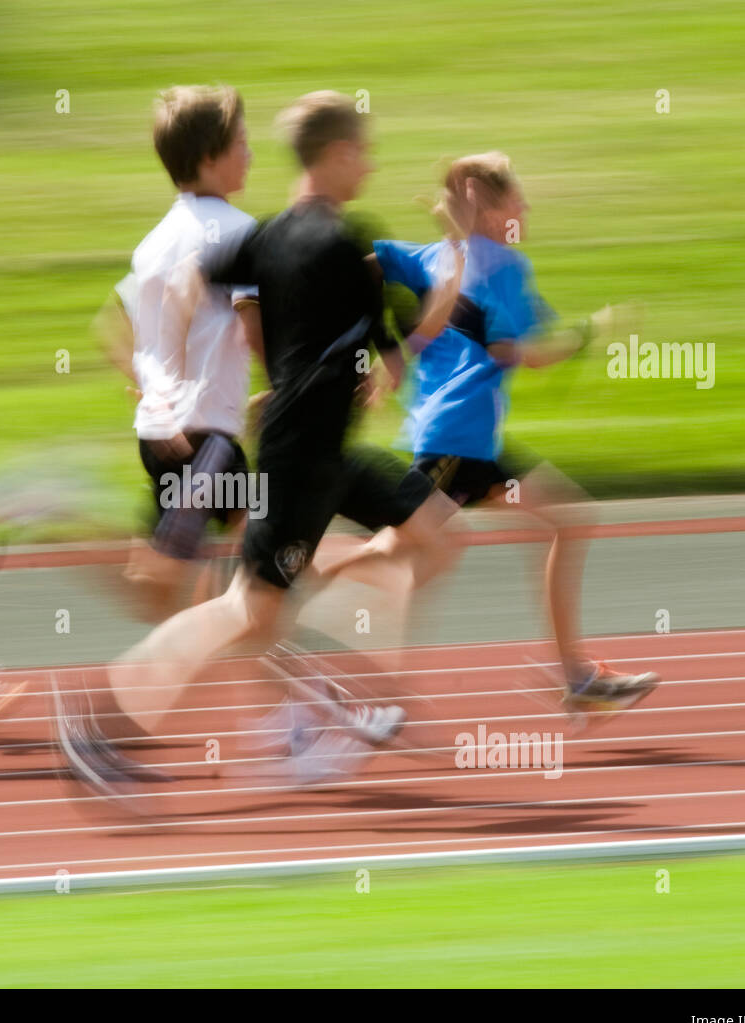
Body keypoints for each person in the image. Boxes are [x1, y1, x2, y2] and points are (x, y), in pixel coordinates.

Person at [55, 92, 462, 802]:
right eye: (362, 152)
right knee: (244, 611)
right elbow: (393, 350)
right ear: (335, 156)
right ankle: (101, 721)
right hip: (301, 461)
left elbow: (187, 288)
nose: (367, 164)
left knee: (436, 532)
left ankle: (334, 695)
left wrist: (180, 378)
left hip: (321, 452)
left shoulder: (260, 238)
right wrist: (437, 290)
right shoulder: (343, 245)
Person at [367, 151, 658, 715]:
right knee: (402, 549)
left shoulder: (429, 255)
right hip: (455, 439)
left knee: (567, 519)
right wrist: (590, 331)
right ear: (481, 199)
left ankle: (574, 678)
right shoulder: (505, 267)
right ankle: (293, 584)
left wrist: (383, 342)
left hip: (472, 444)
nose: (525, 206)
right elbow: (524, 354)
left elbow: (359, 268)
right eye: (514, 197)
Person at [96, 84, 261, 619]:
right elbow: (256, 327)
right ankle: (74, 530)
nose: (250, 154)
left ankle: (221, 666)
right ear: (210, 158)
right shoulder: (239, 233)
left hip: (166, 434)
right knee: (171, 576)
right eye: (241, 143)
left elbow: (112, 325)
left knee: (249, 546)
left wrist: (152, 384)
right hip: (206, 439)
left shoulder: (155, 241)